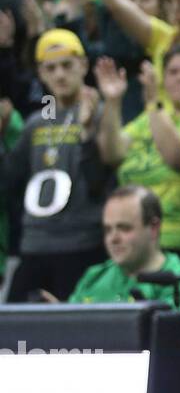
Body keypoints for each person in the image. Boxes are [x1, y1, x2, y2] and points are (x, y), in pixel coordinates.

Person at [94, 46, 180, 274]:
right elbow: (111, 154)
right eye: (172, 72)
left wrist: (153, 104)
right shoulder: (146, 118)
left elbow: (178, 160)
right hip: (145, 246)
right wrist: (113, 101)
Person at [2, 29, 114, 303]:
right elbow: (6, 183)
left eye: (67, 65)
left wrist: (88, 134)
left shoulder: (102, 114)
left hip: (84, 243)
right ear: (40, 73)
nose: (60, 75)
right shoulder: (35, 124)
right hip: (35, 244)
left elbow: (101, 180)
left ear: (84, 66)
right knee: (12, 332)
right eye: (50, 68)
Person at [67, 186, 180, 309]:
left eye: (124, 228)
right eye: (108, 230)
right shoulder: (93, 278)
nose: (113, 239)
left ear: (153, 228)